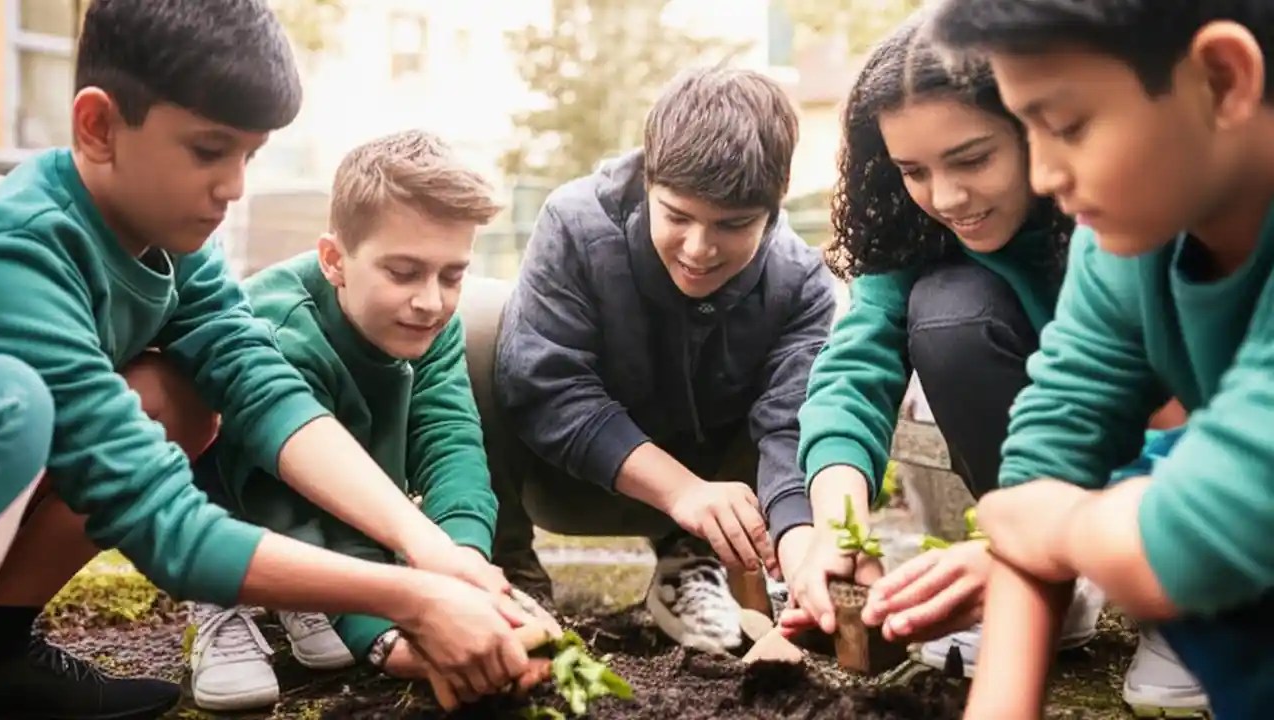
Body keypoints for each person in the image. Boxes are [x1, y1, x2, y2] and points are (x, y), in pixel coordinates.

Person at [0, 2, 546, 718]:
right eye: (207, 151)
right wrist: (411, 598)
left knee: (179, 398)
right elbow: (161, 521)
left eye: (248, 155)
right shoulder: (25, 251)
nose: (235, 187)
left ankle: (0, 648)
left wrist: (433, 550)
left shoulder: (169, 243)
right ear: (99, 127)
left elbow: (263, 391)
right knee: (16, 404)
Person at [781, 15, 1204, 716]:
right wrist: (838, 518)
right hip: (1075, 480)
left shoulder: (1128, 218)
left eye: (973, 158)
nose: (946, 198)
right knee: (949, 314)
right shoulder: (919, 227)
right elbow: (853, 366)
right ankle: (1051, 585)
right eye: (913, 171)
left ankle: (1177, 599)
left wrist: (1060, 542)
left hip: (1193, 475)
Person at [929, 1, 1274, 717]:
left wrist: (1062, 527)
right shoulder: (1133, 232)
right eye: (1025, 128)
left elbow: (1190, 537)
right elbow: (1051, 449)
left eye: (1066, 126)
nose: (1045, 172)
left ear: (1220, 79)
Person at [487, 66, 836, 654]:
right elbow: (546, 387)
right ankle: (505, 571)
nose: (699, 250)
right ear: (648, 180)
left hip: (724, 509)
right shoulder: (573, 222)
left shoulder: (802, 283)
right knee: (475, 323)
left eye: (733, 226)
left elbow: (792, 425)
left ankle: (690, 564)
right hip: (570, 476)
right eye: (677, 216)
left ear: (774, 210)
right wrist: (682, 491)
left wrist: (801, 546)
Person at [189, 129, 534, 710]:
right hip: (253, 500)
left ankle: (324, 587)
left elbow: (450, 439)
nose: (431, 301)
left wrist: (465, 566)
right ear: (334, 260)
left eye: (452, 275)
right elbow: (287, 498)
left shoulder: (432, 323)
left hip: (355, 505)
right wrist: (388, 642)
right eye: (403, 273)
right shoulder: (281, 327)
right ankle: (233, 595)